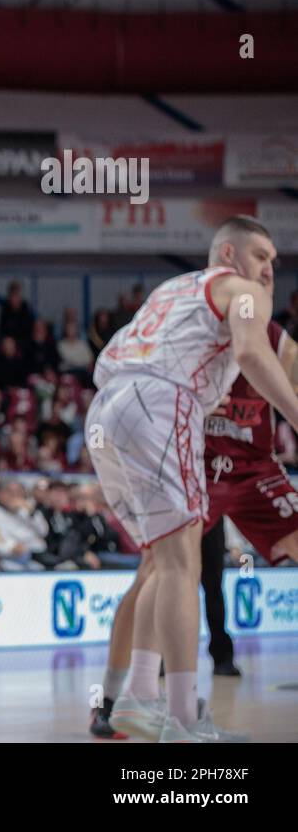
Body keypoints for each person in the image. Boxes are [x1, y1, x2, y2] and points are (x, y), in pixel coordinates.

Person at [88, 216, 298, 742]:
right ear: (228, 254)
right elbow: (251, 352)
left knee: (162, 561)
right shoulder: (245, 292)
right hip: (161, 401)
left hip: (106, 408)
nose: (268, 271)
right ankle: (182, 720)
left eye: (273, 263)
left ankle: (137, 699)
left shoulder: (173, 289)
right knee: (182, 565)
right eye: (262, 257)